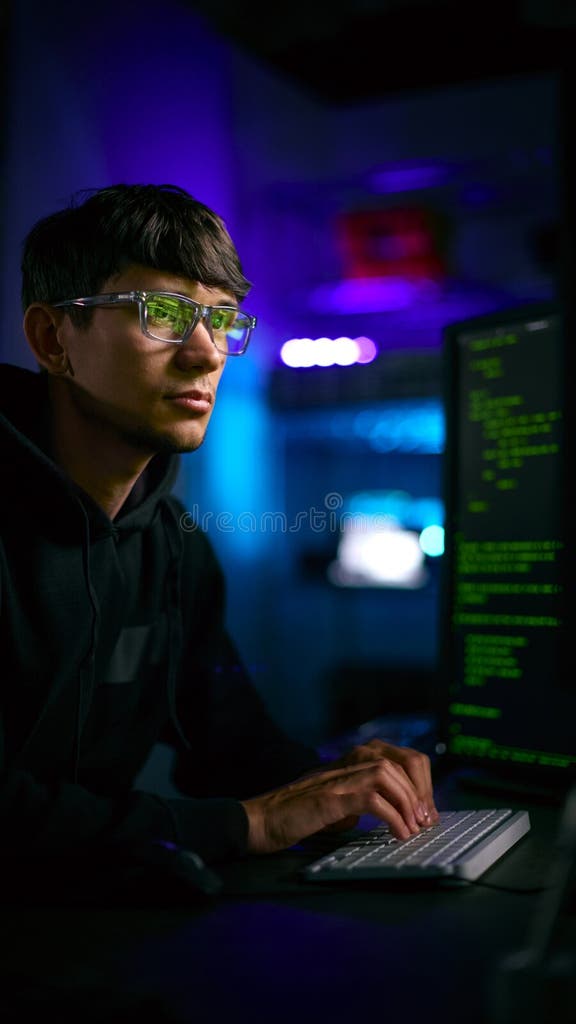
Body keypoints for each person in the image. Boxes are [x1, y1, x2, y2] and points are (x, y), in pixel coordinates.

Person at [0, 183, 438, 885]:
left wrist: (339, 781)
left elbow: (231, 739)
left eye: (223, 320)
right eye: (165, 314)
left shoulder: (172, 546)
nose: (208, 355)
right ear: (54, 339)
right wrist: (249, 823)